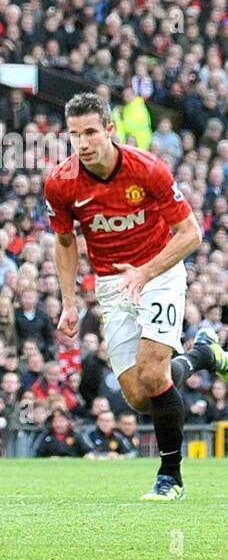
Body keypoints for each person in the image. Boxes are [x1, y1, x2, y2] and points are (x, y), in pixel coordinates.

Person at [48, 93, 228, 500]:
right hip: (112, 285)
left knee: (152, 371)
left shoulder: (146, 168)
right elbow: (64, 241)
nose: (83, 143)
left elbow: (191, 234)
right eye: (75, 134)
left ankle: (170, 478)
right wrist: (69, 302)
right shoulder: (61, 182)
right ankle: (202, 355)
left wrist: (145, 273)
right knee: (139, 396)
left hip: (158, 272)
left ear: (110, 130)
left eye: (91, 132)